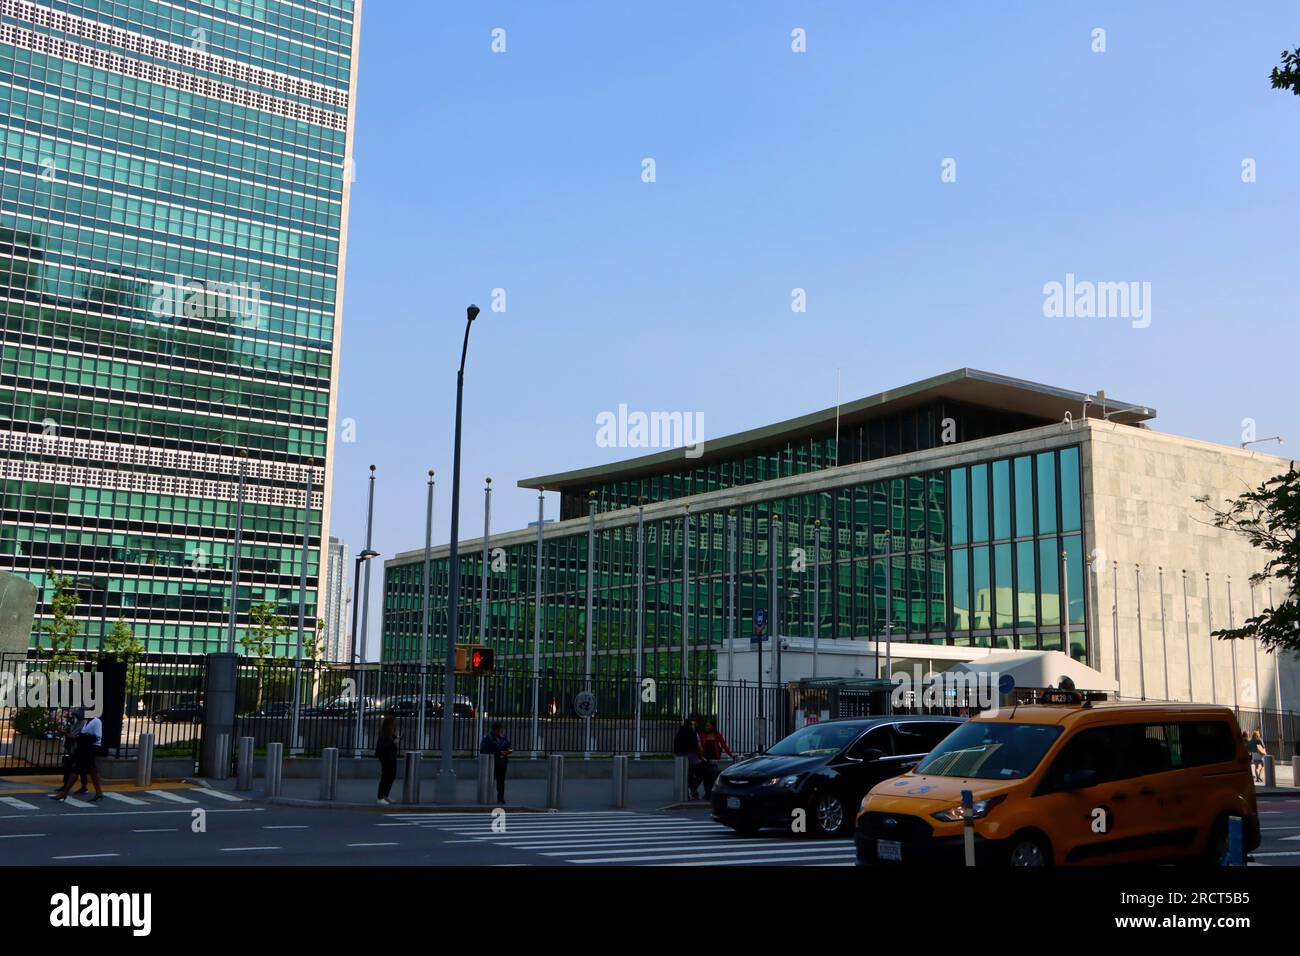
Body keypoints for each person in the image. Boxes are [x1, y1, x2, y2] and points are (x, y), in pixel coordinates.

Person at [52, 707, 103, 802]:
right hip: (83, 748)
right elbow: (78, 737)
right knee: (92, 771)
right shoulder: (86, 723)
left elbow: (97, 737)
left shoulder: (96, 722)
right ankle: (99, 792)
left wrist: (81, 737)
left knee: (77, 769)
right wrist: (66, 734)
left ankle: (64, 792)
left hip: (90, 749)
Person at [697, 721, 733, 797]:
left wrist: (731, 754)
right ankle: (707, 792)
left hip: (714, 759)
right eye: (706, 726)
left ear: (712, 726)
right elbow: (699, 745)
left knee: (712, 775)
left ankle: (711, 792)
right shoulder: (702, 735)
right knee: (705, 776)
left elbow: (724, 745)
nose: (707, 727)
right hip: (705, 758)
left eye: (709, 726)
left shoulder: (717, 735)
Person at [479, 723, 513, 804]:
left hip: (502, 762)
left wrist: (508, 751)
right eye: (498, 730)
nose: (500, 732)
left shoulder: (503, 738)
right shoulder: (488, 739)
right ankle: (487, 797)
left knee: (501, 781)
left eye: (501, 730)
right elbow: (483, 749)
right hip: (492, 762)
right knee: (490, 781)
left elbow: (510, 747)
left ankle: (500, 797)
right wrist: (498, 752)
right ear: (494, 730)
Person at [672, 718, 704, 799]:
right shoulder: (692, 733)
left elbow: (675, 745)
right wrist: (701, 756)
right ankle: (692, 789)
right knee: (700, 774)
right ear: (690, 725)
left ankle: (687, 791)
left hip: (681, 758)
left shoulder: (679, 733)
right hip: (692, 757)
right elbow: (696, 746)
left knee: (687, 775)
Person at [375, 714, 400, 806]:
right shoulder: (384, 733)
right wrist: (394, 742)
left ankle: (385, 795)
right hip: (386, 757)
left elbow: (392, 744)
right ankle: (380, 797)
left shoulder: (390, 732)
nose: (395, 725)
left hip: (391, 756)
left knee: (391, 775)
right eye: (393, 723)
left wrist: (396, 739)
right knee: (386, 775)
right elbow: (384, 746)